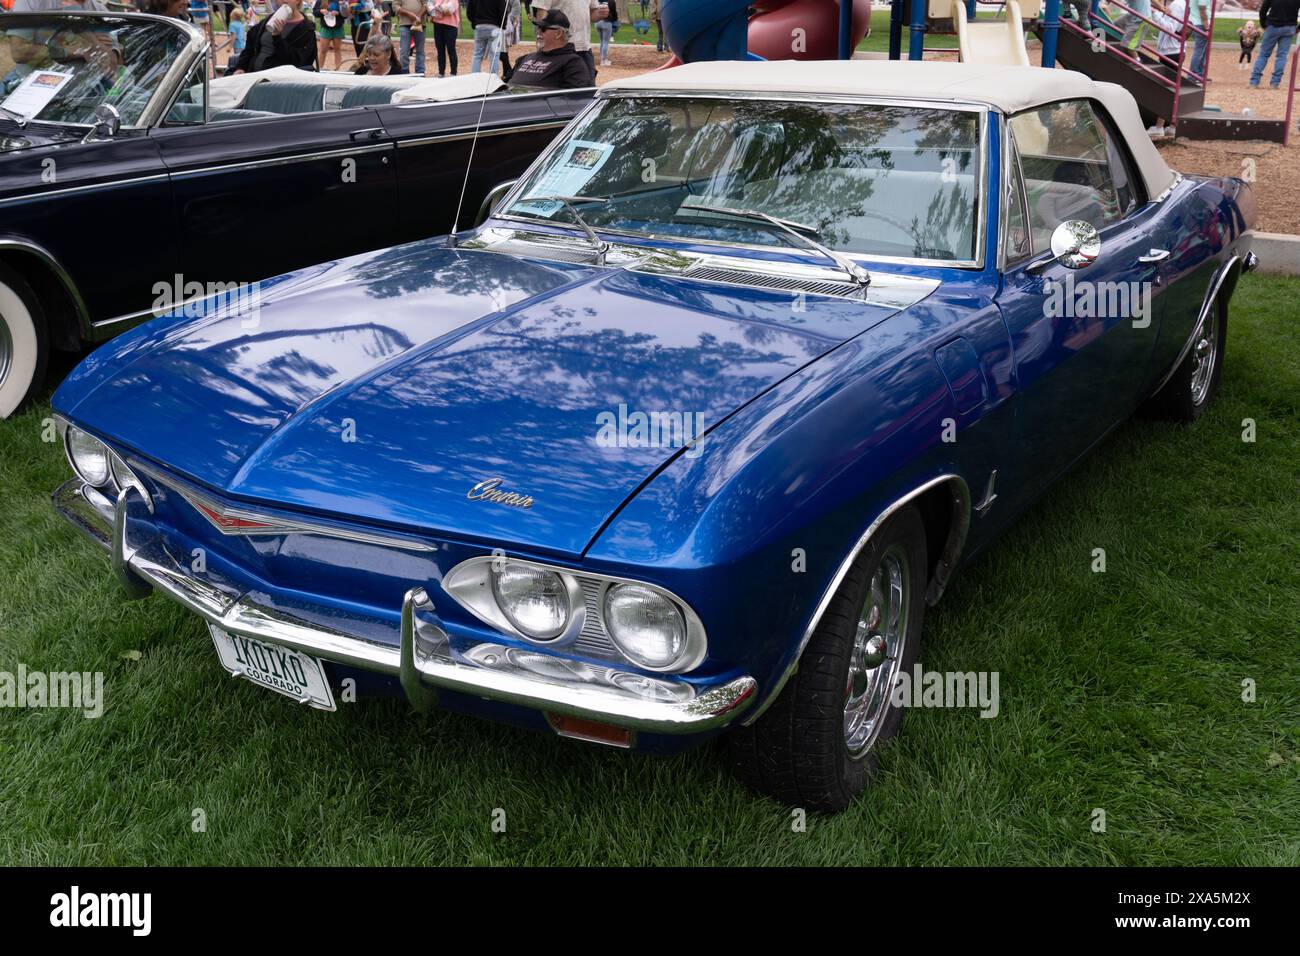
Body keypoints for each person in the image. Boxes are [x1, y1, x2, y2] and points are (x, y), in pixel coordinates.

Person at [508, 7, 591, 88]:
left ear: (559, 33)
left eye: (543, 29)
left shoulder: (572, 63)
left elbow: (576, 98)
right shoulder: (524, 58)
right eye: (538, 27)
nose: (538, 32)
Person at [229, 0, 317, 72]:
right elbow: (250, 48)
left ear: (298, 1)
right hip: (253, 77)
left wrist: (277, 38)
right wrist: (241, 67)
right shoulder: (267, 21)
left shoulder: (306, 30)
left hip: (279, 85)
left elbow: (298, 61)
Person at [530, 0, 606, 80]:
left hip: (584, 48)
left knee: (587, 88)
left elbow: (592, 13)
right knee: (553, 86)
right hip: (558, 49)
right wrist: (542, 39)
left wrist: (600, 14)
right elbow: (541, 11)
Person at [1250, 0, 1299, 88]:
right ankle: (1275, 83)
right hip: (1289, 27)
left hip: (1273, 26)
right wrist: (1299, 28)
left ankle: (1254, 81)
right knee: (1282, 56)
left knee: (1263, 54)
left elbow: (1263, 9)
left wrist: (1263, 24)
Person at [468, 0, 507, 75]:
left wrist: (475, 22)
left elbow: (469, 11)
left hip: (480, 26)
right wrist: (502, 26)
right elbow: (503, 11)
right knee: (494, 55)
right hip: (495, 27)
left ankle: (474, 77)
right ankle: (493, 78)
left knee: (477, 54)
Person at [314, 0, 349, 71]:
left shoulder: (341, 1)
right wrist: (321, 11)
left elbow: (346, 14)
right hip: (325, 28)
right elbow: (315, 12)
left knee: (337, 49)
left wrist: (338, 13)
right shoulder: (320, 1)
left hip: (338, 28)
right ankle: (319, 69)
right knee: (323, 50)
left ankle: (338, 69)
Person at [394, 0, 426, 74]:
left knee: (420, 50)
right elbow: (396, 7)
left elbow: (426, 5)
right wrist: (409, 14)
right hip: (405, 24)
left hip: (419, 23)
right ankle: (404, 71)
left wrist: (418, 16)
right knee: (404, 51)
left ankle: (420, 72)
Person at [429, 0, 459, 76]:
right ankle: (441, 72)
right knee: (440, 50)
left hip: (451, 26)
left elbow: (450, 9)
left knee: (451, 49)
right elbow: (430, 8)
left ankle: (453, 72)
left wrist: (437, 8)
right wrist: (440, 9)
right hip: (437, 25)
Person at [1187, 0, 1210, 79]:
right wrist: (1207, 28)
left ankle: (1199, 74)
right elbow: (1202, 10)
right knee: (1199, 51)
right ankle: (1193, 75)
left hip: (1196, 22)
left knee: (1202, 51)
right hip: (1200, 24)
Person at [595, 0, 616, 66]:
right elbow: (614, 13)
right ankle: (603, 60)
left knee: (602, 41)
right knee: (605, 42)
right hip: (606, 22)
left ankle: (602, 58)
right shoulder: (611, 1)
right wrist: (615, 20)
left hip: (597, 22)